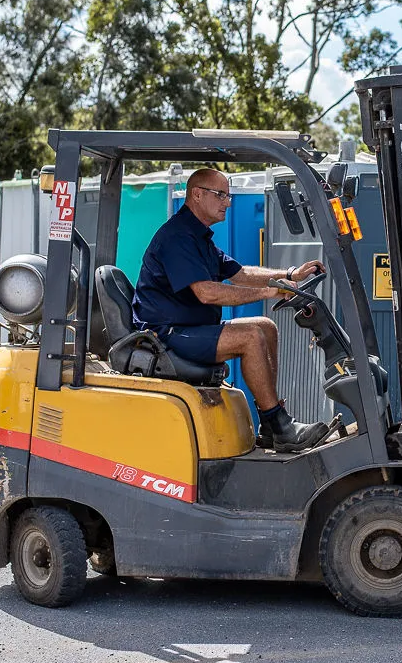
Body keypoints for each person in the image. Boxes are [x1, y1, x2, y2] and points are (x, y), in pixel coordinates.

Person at [132, 167, 332, 453]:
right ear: (197, 195)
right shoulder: (177, 238)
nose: (228, 202)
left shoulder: (198, 237)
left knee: (266, 326)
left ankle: (271, 426)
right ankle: (280, 424)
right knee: (250, 336)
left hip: (188, 329)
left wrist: (291, 274)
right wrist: (266, 292)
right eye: (221, 195)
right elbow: (207, 292)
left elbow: (241, 273)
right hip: (166, 336)